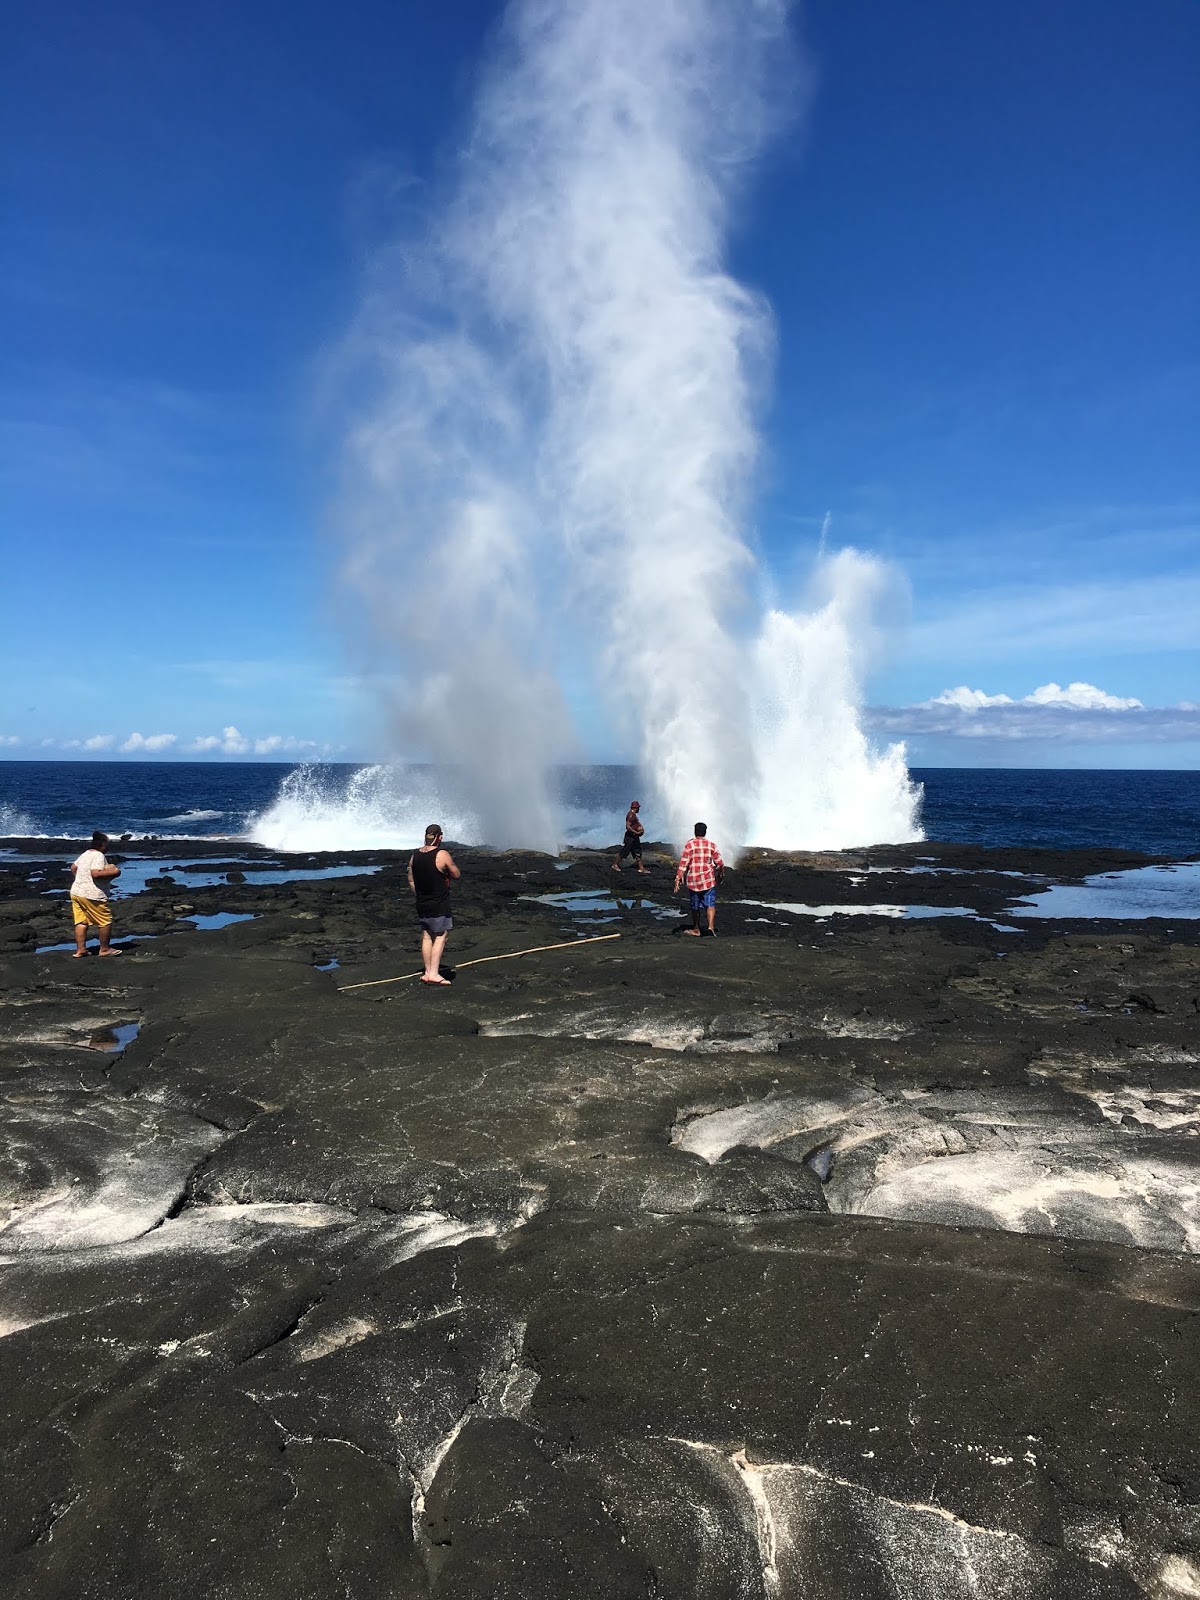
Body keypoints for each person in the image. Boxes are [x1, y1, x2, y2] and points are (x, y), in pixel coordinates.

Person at [407, 823, 461, 985]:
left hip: (422, 902)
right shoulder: (441, 854)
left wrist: (420, 895)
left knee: (426, 935)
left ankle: (427, 972)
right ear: (439, 837)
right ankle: (434, 973)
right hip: (439, 902)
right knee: (440, 935)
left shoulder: (414, 855)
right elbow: (456, 874)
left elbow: (410, 879)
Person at [68, 830, 121, 957]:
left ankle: (80, 950)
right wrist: (116, 872)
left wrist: (80, 879)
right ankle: (104, 949)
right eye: (107, 844)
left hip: (77, 892)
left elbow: (73, 868)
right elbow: (96, 873)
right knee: (105, 921)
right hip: (93, 895)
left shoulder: (86, 854)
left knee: (81, 921)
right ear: (102, 845)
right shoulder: (98, 856)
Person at [673, 821, 724, 937]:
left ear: (695, 832)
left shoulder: (689, 845)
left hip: (694, 881)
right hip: (708, 880)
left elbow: (683, 863)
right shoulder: (711, 845)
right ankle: (710, 928)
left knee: (695, 906)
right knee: (710, 904)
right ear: (705, 832)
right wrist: (721, 873)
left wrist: (678, 878)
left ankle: (696, 929)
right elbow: (720, 862)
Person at [611, 800, 648, 875]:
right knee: (625, 850)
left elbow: (635, 824)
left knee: (637, 851)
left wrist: (640, 830)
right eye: (638, 807)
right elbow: (627, 827)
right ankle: (615, 864)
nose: (639, 809)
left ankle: (641, 868)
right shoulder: (631, 815)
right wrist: (636, 832)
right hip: (630, 837)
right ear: (635, 807)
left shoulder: (634, 815)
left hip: (634, 837)